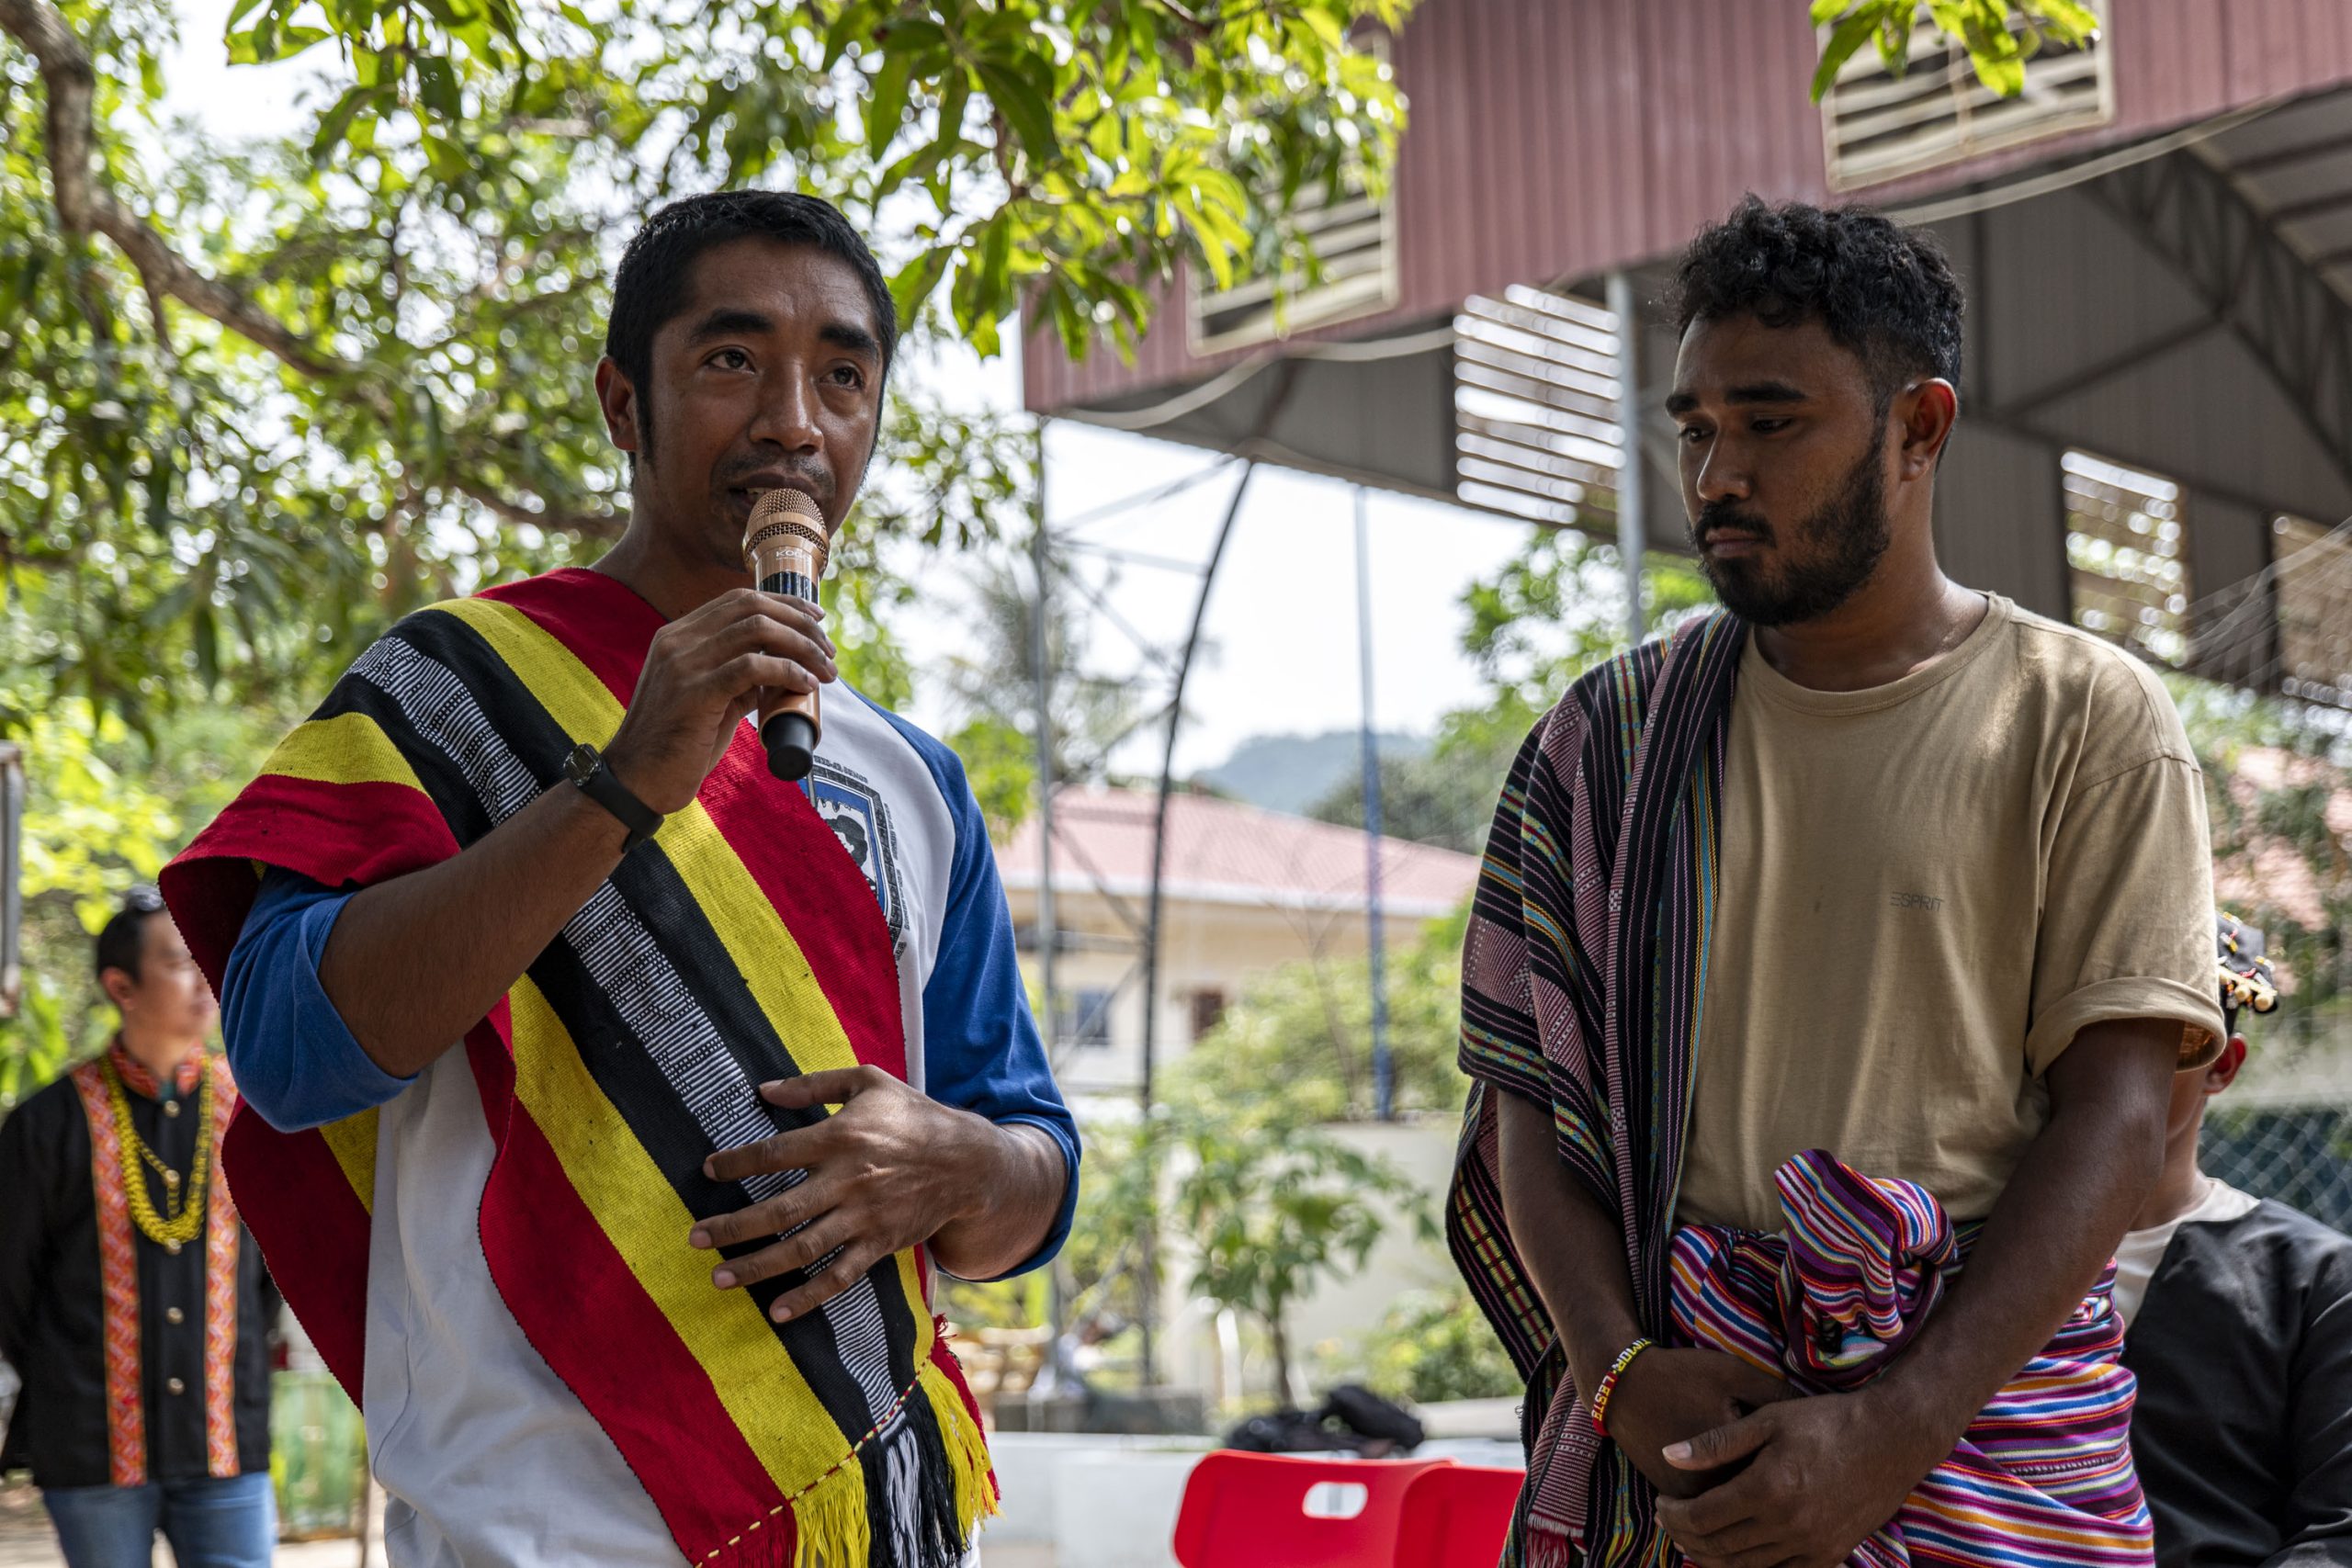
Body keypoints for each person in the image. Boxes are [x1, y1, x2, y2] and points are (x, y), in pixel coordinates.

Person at [159, 190, 1079, 1568]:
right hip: (534, 1527)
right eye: (731, 359)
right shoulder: (446, 691)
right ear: (621, 403)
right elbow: (291, 1053)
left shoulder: (912, 779)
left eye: (842, 375)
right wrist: (619, 783)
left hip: (871, 1517)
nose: (792, 421)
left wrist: (957, 1162)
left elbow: (1034, 1169)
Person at [1446, 197, 2223, 1568]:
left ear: (1919, 427)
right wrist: (1623, 1374)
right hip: (1689, 1456)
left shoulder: (2087, 715)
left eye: (1770, 420)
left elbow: (2114, 1118)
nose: (1717, 473)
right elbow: (1527, 1105)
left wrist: (1894, 1428)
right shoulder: (1606, 744)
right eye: (1695, 427)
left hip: (1995, 1457)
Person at [0, 888, 277, 1568]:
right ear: (120, 985)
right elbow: (9, 1291)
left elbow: (270, 1282)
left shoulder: (252, 1117)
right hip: (91, 1450)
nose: (205, 978)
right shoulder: (47, 1124)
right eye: (181, 961)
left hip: (225, 1448)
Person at [2119, 915, 2352, 1563]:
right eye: (2090, 1026)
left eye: (2173, 1037)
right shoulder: (1955, 1243)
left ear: (2223, 1064)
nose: (2117, 1063)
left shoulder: (2317, 1280)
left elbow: (2340, 1532)